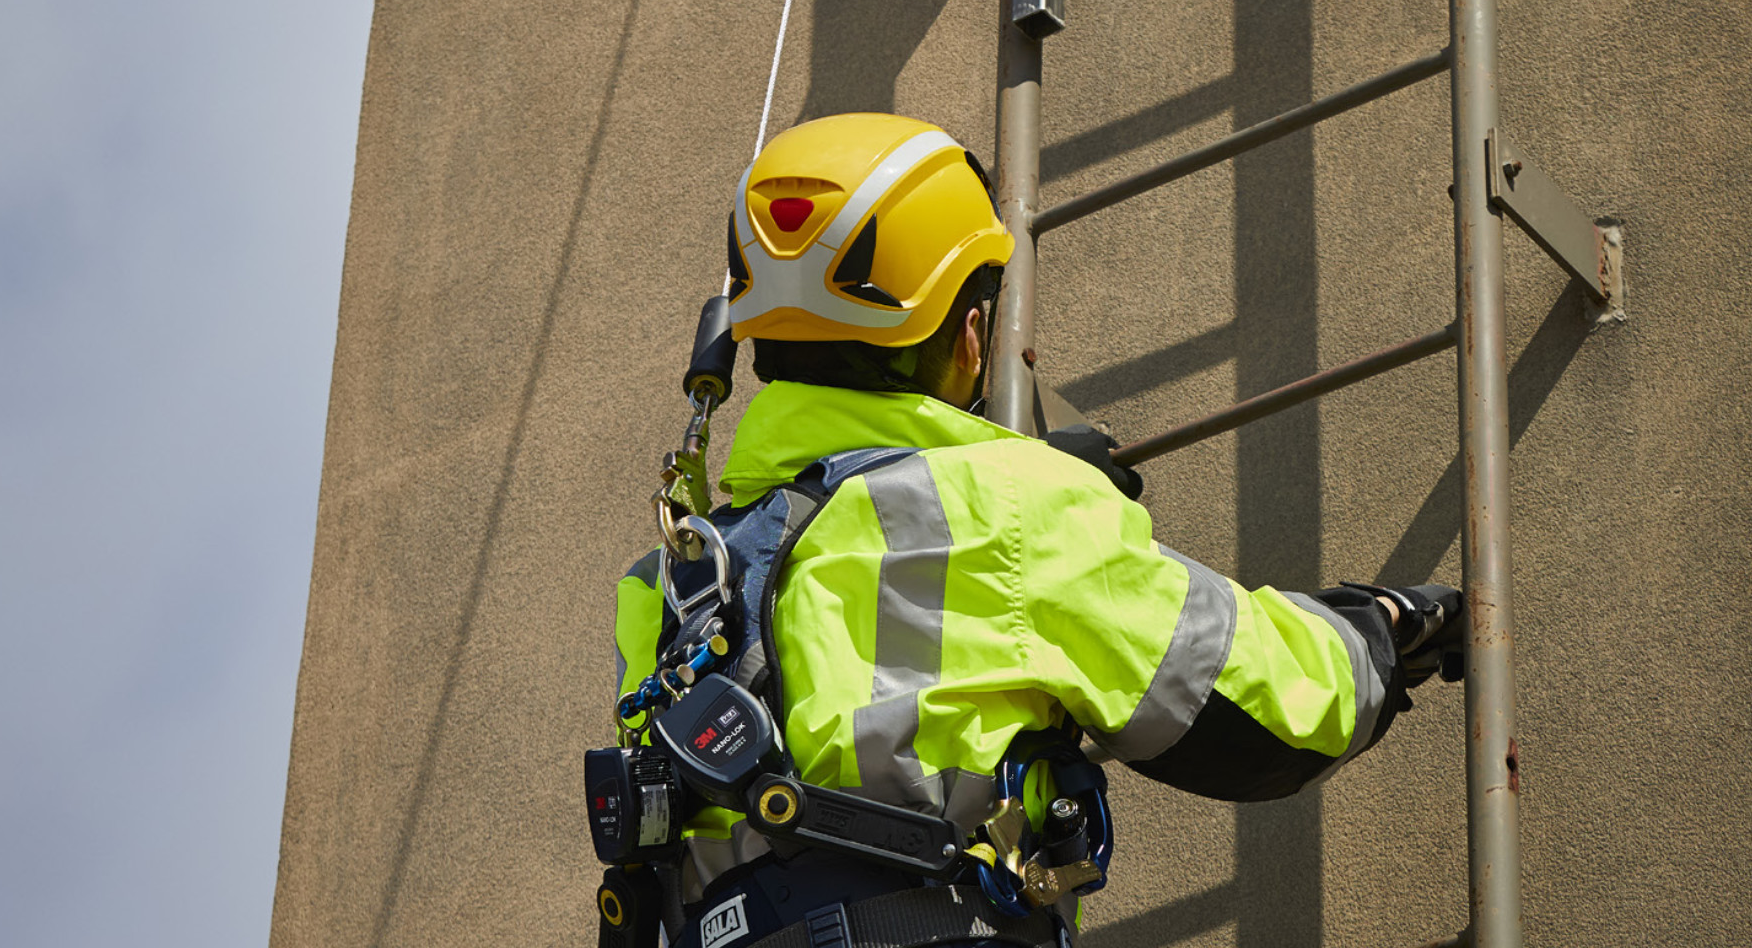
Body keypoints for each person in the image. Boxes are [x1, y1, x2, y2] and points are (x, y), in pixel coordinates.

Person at [610, 112, 1463, 948]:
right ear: (973, 335)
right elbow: (1260, 705)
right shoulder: (1014, 506)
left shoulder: (670, 582)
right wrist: (1382, 628)